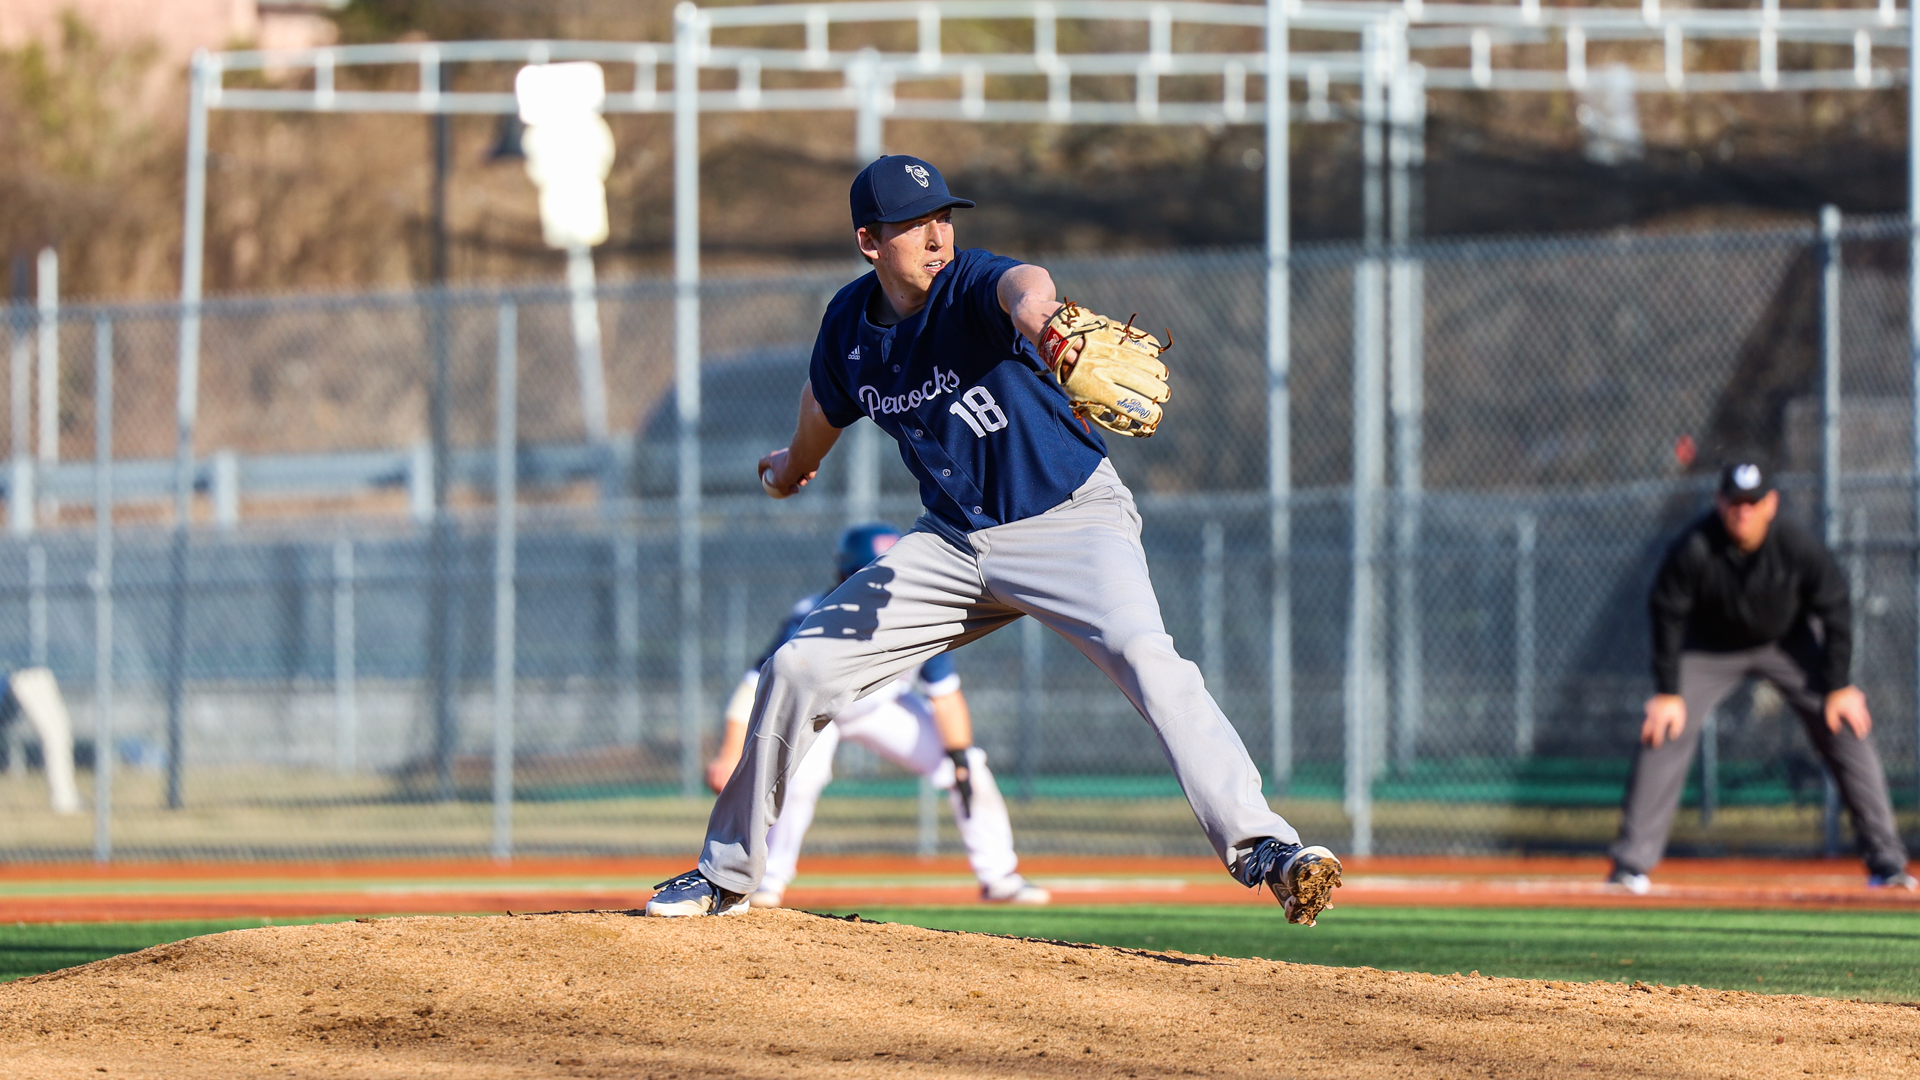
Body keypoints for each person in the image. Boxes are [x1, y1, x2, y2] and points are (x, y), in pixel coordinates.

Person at [647, 154, 1340, 922]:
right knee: (797, 666)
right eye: (914, 224)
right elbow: (824, 400)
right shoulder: (848, 326)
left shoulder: (969, 283)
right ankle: (726, 875)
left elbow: (1024, 284)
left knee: (1148, 657)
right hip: (951, 544)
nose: (937, 237)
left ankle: (1268, 849)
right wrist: (791, 465)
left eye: (943, 218)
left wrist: (1044, 323)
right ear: (870, 240)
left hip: (1070, 521)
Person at [1609, 461, 1915, 894]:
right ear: (1719, 503)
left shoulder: (1795, 545)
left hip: (1786, 644)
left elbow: (1835, 606)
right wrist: (1667, 691)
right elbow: (1667, 613)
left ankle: (1887, 864)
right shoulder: (1695, 546)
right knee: (1665, 726)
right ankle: (1630, 865)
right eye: (1735, 502)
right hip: (1709, 649)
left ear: (1771, 504)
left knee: (1846, 722)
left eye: (1752, 502)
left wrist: (1838, 685)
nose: (1743, 511)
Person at [706, 522, 1049, 907]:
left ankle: (999, 876)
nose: (881, 583)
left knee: (970, 768)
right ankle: (769, 880)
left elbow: (945, 693)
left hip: (882, 707)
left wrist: (957, 756)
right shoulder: (813, 613)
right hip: (818, 711)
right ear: (845, 575)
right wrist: (729, 752)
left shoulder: (923, 613)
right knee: (797, 780)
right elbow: (756, 683)